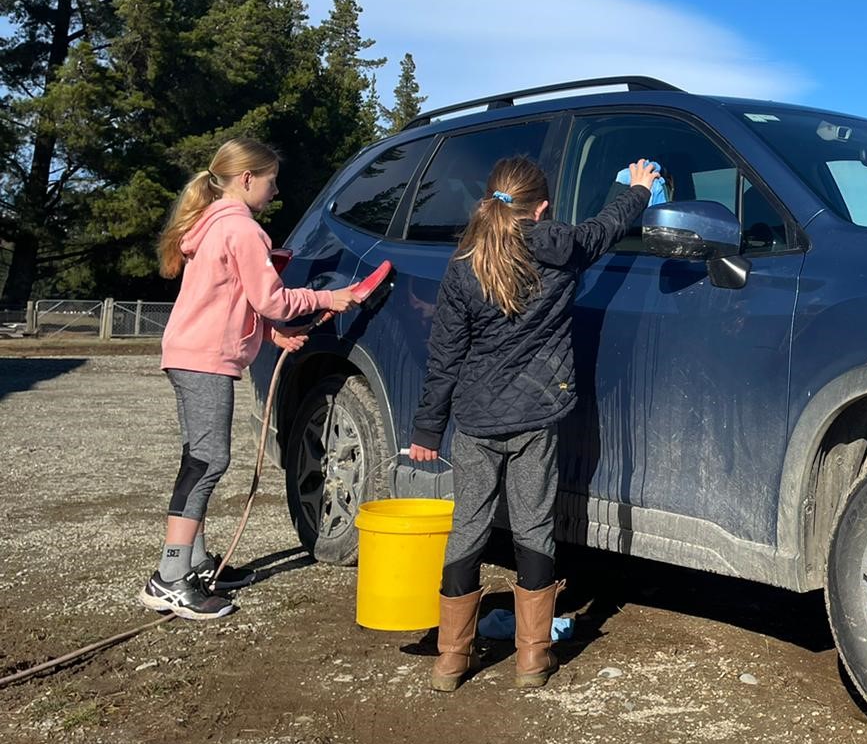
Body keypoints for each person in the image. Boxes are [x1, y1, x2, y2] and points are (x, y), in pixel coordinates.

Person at [408, 155, 658, 692]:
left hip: (475, 421)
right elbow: (607, 227)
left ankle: (451, 661)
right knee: (533, 527)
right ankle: (532, 659)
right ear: (542, 208)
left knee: (468, 528)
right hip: (536, 418)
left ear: (493, 201)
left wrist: (428, 430)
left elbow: (444, 359)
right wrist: (637, 189)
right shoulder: (561, 248)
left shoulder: (463, 267)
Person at [142, 139, 362, 620]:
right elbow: (273, 299)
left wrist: (269, 335)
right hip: (205, 358)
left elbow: (228, 297)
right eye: (271, 180)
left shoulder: (212, 224)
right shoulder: (243, 230)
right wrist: (330, 299)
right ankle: (170, 578)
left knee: (197, 458)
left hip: (189, 352)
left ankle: (193, 561)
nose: (275, 190)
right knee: (207, 462)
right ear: (247, 179)